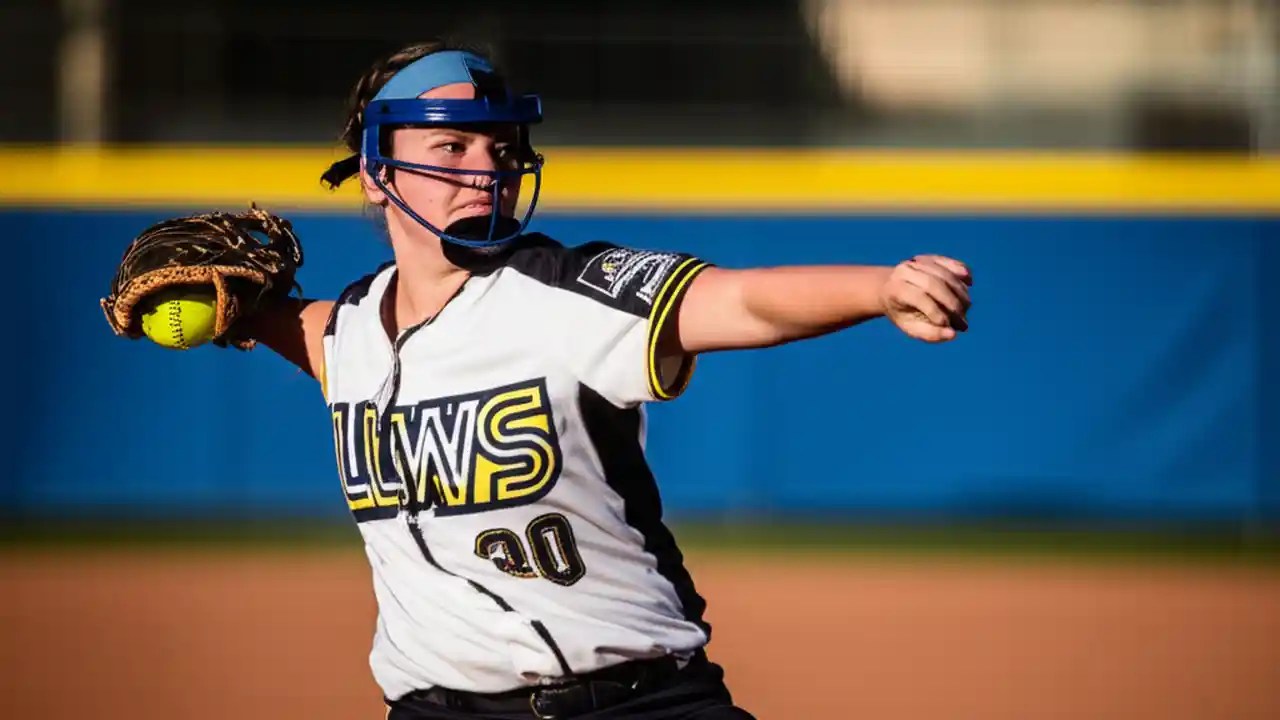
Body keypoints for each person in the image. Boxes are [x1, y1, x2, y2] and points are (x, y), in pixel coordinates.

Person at [243, 40, 969, 719]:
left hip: (631, 701)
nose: (486, 169)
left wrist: (879, 288)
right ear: (377, 172)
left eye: (501, 147)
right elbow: (311, 334)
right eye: (452, 145)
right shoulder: (353, 331)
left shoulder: (563, 293)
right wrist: (240, 310)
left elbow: (741, 300)